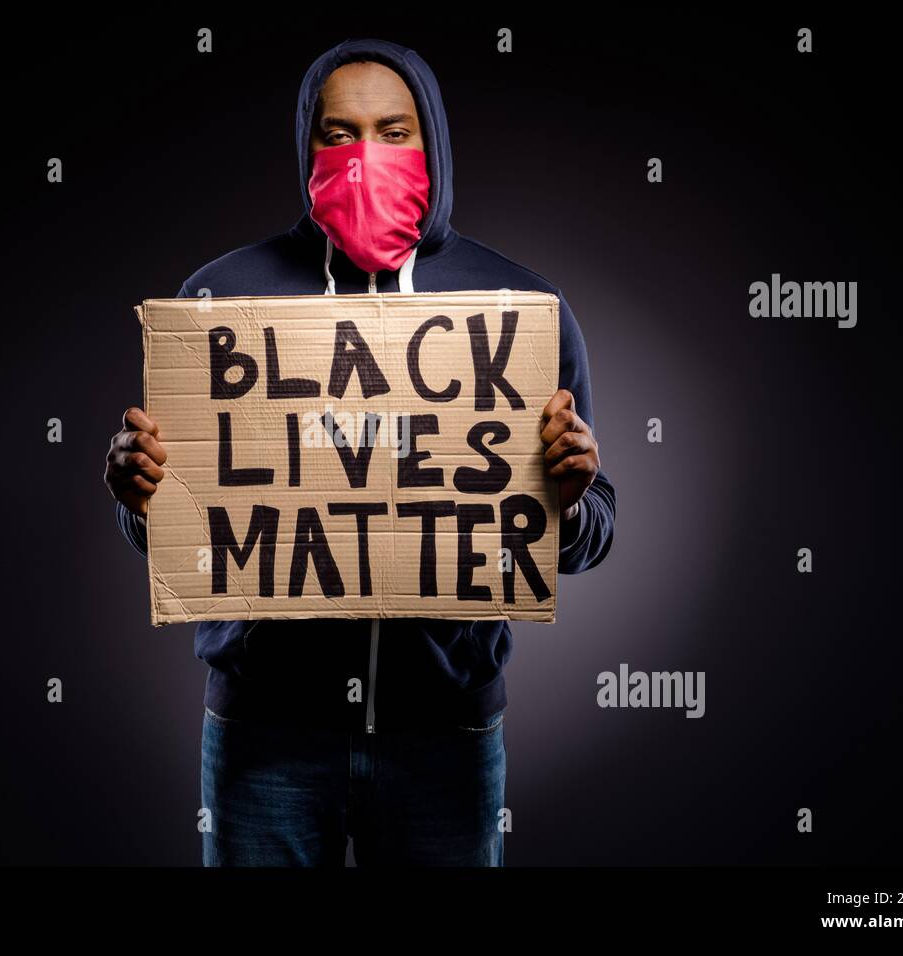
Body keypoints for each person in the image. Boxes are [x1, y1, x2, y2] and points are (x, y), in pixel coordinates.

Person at [105, 38, 615, 866]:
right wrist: (140, 495)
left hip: (445, 740)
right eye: (338, 135)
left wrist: (571, 491)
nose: (365, 158)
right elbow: (183, 533)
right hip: (264, 740)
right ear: (306, 145)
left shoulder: (521, 309)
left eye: (392, 131)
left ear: (433, 145)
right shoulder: (218, 301)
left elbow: (591, 534)